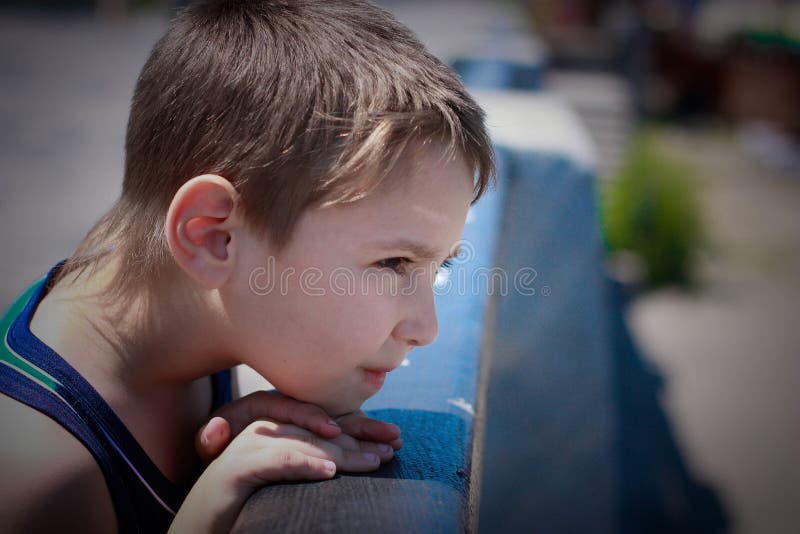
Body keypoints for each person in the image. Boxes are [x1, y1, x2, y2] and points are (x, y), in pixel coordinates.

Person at [0, 0, 495, 532]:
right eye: (394, 261)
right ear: (215, 237)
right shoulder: (40, 474)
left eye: (440, 264)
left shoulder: (187, 320)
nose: (427, 330)